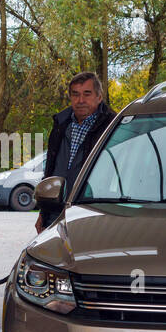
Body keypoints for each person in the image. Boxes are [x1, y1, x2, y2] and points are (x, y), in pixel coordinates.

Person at [36, 71, 117, 232]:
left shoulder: (113, 126)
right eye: (75, 94)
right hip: (55, 214)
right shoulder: (61, 124)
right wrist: (43, 212)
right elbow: (51, 171)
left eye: (87, 94)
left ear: (99, 97)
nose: (80, 100)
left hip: (93, 214)